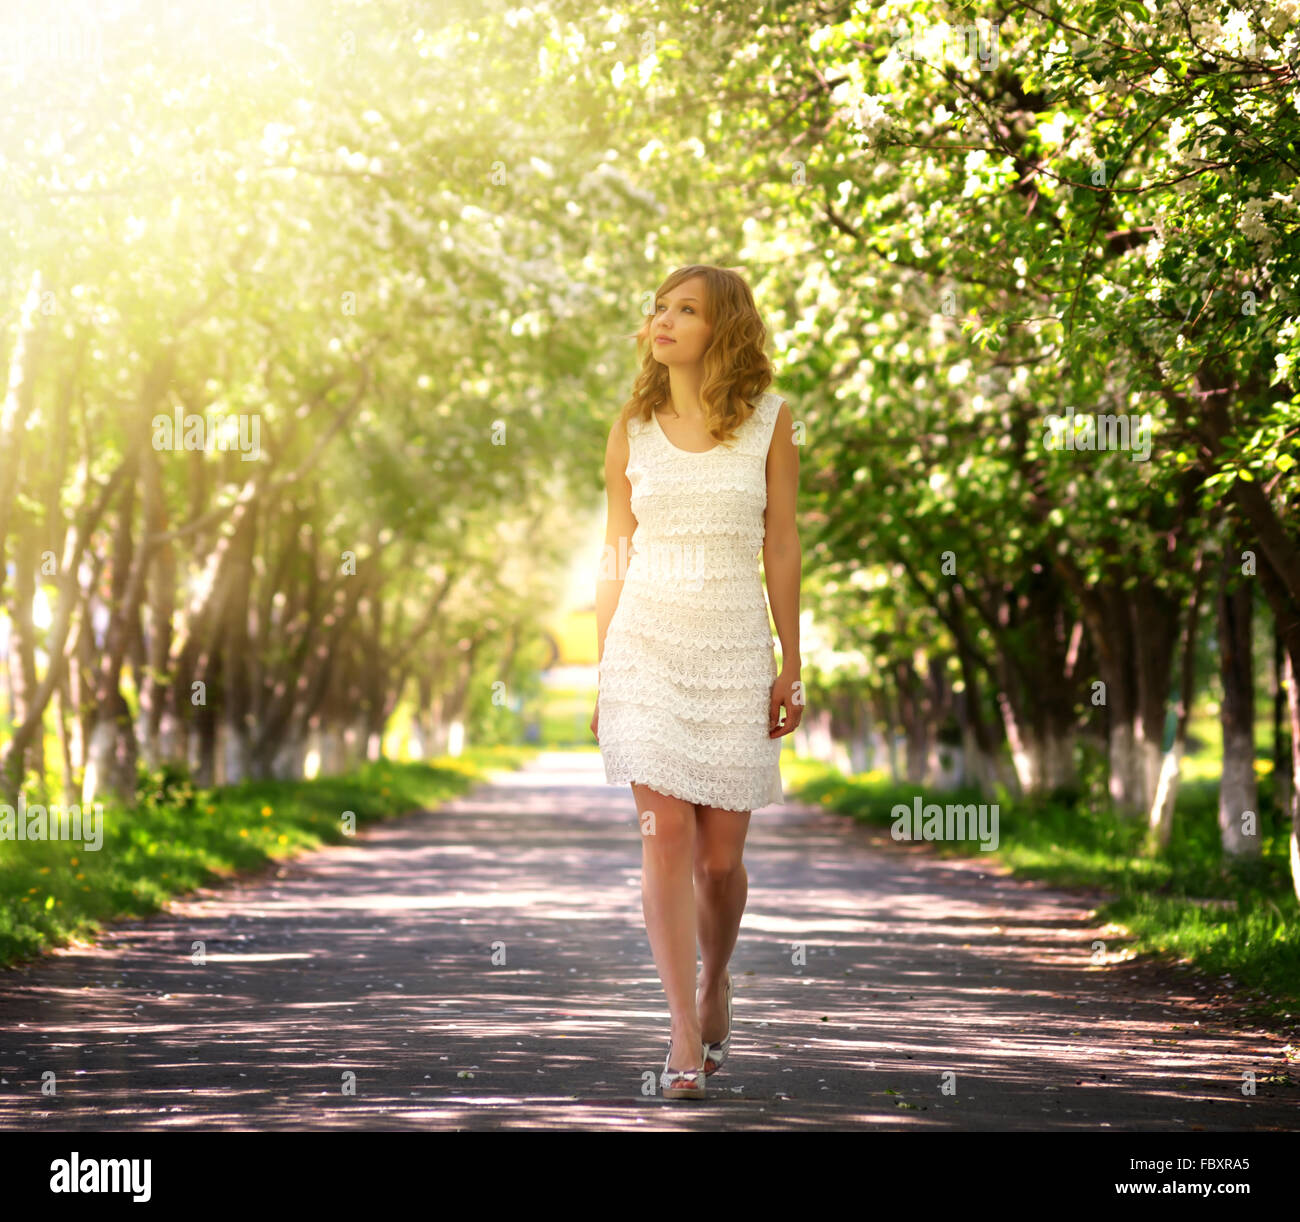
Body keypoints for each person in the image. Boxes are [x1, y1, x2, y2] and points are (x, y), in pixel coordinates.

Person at [590, 264, 803, 1101]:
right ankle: (681, 1029)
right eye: (661, 307)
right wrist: (604, 670)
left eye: (688, 309)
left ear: (725, 330)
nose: (665, 320)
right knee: (665, 835)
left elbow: (779, 545)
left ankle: (717, 982)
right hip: (645, 646)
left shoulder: (770, 424)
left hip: (735, 649)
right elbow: (613, 550)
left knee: (719, 864)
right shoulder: (632, 427)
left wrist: (793, 659)